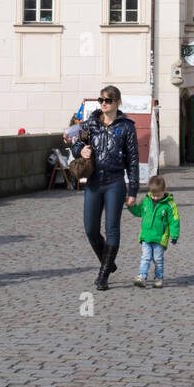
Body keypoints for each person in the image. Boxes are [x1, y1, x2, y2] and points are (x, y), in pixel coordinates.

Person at [71, 84, 139, 290]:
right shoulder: (91, 123)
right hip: (93, 181)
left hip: (115, 182)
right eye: (101, 100)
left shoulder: (126, 126)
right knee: (91, 229)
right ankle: (109, 262)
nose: (103, 103)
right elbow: (75, 144)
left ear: (117, 102)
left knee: (112, 229)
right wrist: (80, 151)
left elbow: (133, 160)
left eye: (108, 100)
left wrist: (133, 190)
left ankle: (103, 274)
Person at [129, 174, 180, 288]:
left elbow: (174, 221)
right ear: (149, 191)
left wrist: (174, 235)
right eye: (153, 195)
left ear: (164, 190)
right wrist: (131, 206)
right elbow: (139, 212)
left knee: (158, 259)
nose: (155, 197)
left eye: (158, 195)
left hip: (160, 238)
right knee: (145, 257)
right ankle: (142, 276)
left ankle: (158, 278)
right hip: (146, 236)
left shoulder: (169, 205)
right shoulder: (146, 201)